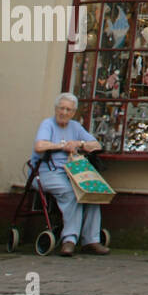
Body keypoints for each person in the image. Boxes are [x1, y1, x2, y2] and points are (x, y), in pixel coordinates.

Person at [32, 92, 110, 257]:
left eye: (68, 110)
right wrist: (62, 146)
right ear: (56, 109)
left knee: (92, 192)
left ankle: (91, 240)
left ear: (74, 112)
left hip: (73, 172)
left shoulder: (75, 126)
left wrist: (79, 143)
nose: (64, 112)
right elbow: (39, 146)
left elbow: (96, 145)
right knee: (71, 193)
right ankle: (69, 240)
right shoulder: (48, 124)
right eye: (62, 108)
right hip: (48, 172)